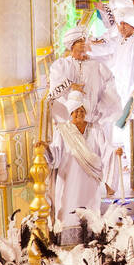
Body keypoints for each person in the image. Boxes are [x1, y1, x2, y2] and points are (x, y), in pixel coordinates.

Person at [47, 90, 113, 243]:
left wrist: (114, 151)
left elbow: (105, 149)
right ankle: (68, 243)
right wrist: (45, 149)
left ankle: (92, 242)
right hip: (69, 180)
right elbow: (55, 154)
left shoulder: (95, 129)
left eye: (82, 111)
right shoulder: (62, 131)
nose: (79, 114)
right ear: (70, 113)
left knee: (90, 211)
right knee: (69, 210)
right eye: (76, 111)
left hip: (90, 181)